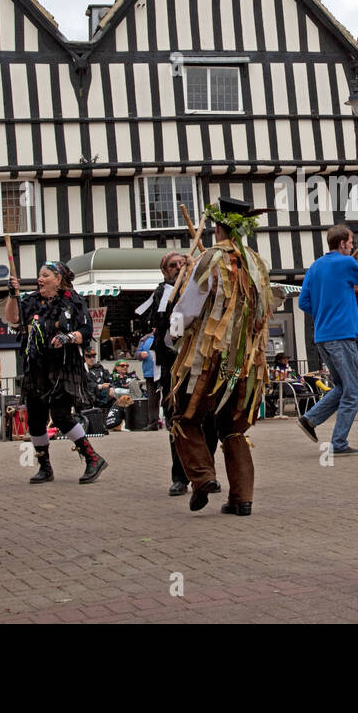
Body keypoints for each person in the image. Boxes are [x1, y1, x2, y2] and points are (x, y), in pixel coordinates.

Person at [167, 197, 275, 515]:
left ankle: (202, 478)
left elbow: (186, 310)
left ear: (217, 227)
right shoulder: (257, 263)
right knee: (232, 428)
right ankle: (242, 499)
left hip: (207, 357)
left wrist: (170, 334)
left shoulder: (210, 259)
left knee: (184, 416)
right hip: (244, 360)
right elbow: (262, 314)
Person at [4, 259, 107, 484]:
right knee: (36, 422)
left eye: (46, 275)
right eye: (39, 275)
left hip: (63, 369)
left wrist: (67, 337)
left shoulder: (73, 302)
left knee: (61, 416)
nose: (40, 279)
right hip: (37, 370)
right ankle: (45, 468)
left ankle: (93, 458)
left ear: (59, 279)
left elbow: (85, 332)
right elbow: (13, 319)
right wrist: (12, 295)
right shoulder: (31, 300)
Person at [297, 223, 358, 455]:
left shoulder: (315, 267)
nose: (353, 246)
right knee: (353, 391)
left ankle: (310, 419)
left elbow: (303, 302)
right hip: (342, 336)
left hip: (323, 337)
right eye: (351, 243)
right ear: (342, 244)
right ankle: (338, 443)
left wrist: (323, 313)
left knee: (342, 386)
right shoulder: (346, 262)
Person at [144, 251, 217, 497]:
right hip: (173, 368)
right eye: (172, 265)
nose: (178, 267)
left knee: (209, 421)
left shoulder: (199, 289)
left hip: (201, 364)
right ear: (165, 272)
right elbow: (167, 325)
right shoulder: (162, 293)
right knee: (178, 422)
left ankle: (207, 474)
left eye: (181, 264)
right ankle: (180, 477)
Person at [134, 330, 161, 428]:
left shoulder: (167, 336)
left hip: (165, 372)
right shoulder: (145, 339)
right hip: (150, 373)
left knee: (168, 397)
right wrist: (141, 355)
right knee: (152, 399)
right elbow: (136, 354)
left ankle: (170, 422)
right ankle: (153, 422)